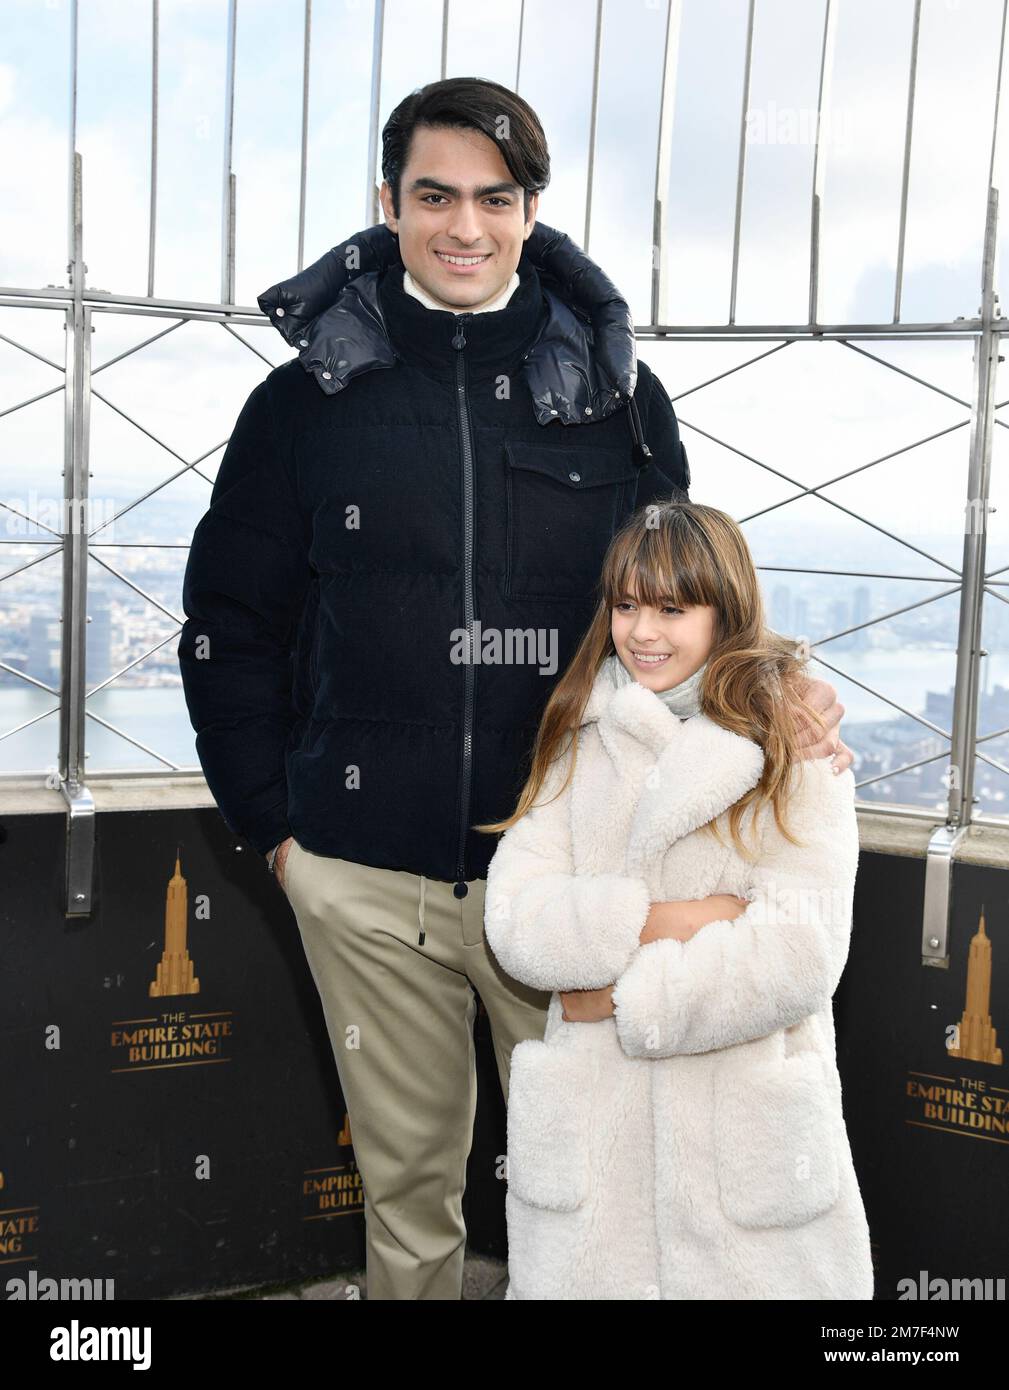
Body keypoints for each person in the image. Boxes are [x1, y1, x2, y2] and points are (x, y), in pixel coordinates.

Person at [178, 76, 851, 1301]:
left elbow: (688, 594)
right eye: (434, 195)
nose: (464, 227)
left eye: (495, 198)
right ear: (387, 203)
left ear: (532, 211)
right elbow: (228, 627)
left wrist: (785, 682)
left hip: (570, 886)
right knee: (408, 1213)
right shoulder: (297, 408)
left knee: (594, 1207)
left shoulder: (616, 401)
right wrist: (279, 838)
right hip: (363, 880)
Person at [481, 500, 874, 1300]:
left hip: (741, 1153)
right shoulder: (580, 731)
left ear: (724, 610)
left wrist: (618, 998)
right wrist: (692, 920)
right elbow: (517, 919)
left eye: (671, 607)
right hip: (597, 1148)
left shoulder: (793, 745)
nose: (641, 631)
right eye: (625, 604)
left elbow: (799, 952)